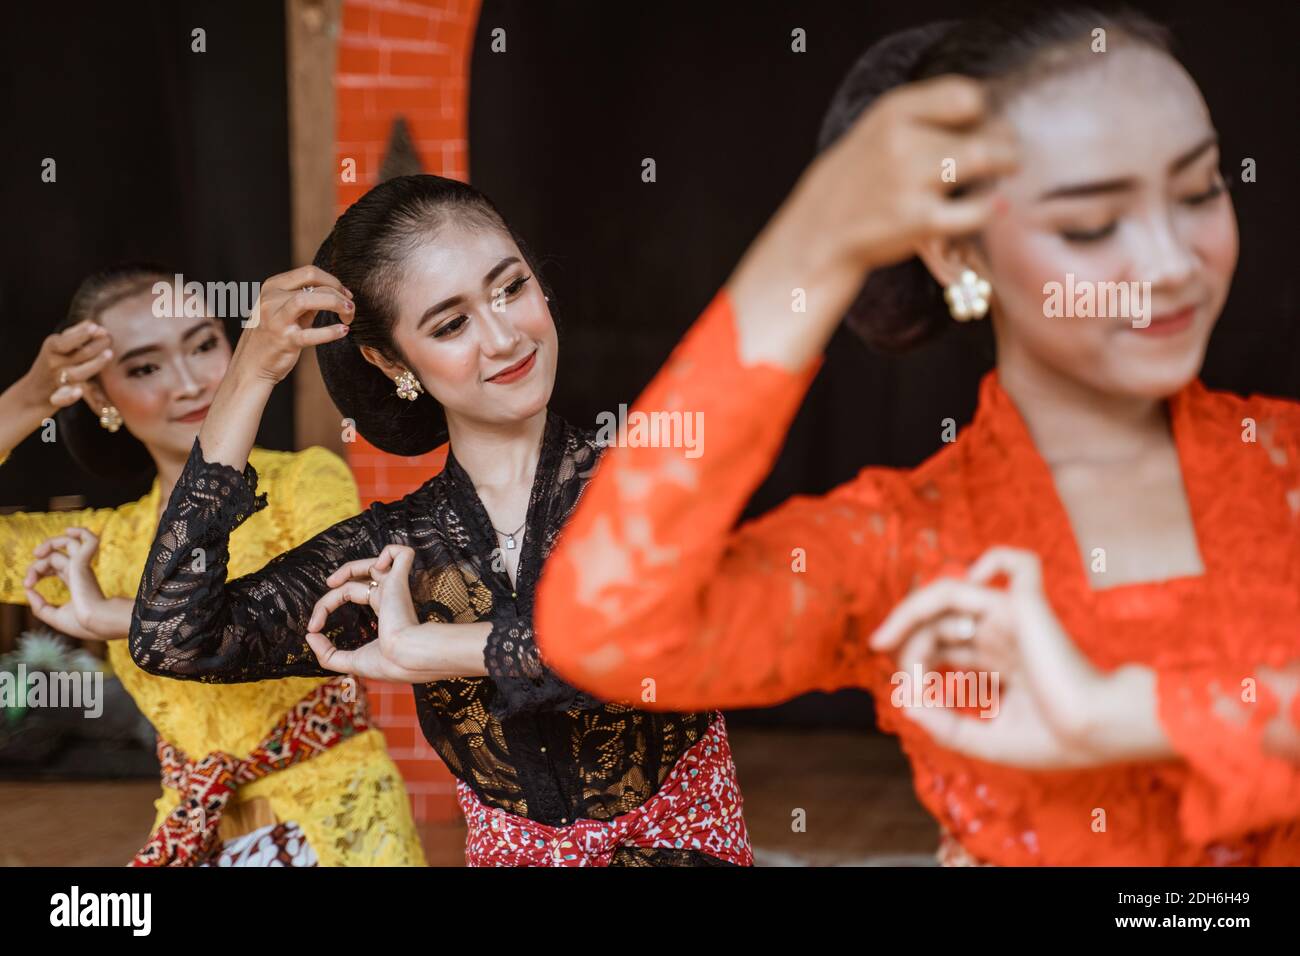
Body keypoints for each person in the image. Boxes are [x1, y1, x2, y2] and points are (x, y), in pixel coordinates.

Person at [533, 5, 1300, 865]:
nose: (1168, 264)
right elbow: (604, 626)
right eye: (1091, 226)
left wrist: (1110, 714)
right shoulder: (906, 552)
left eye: (1200, 192)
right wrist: (813, 247)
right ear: (959, 256)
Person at [127, 175, 753, 867]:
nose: (503, 335)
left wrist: (437, 649)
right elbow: (174, 637)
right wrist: (250, 376)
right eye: (451, 324)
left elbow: (679, 646)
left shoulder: (655, 480)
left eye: (510, 287)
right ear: (392, 360)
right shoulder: (394, 549)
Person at [0, 264, 425, 866]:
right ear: (100, 396)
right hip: (193, 835)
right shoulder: (100, 544)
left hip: (345, 822)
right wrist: (31, 398)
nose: (187, 383)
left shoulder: (306, 478)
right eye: (145, 367)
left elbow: (333, 616)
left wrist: (117, 617)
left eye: (202, 345)